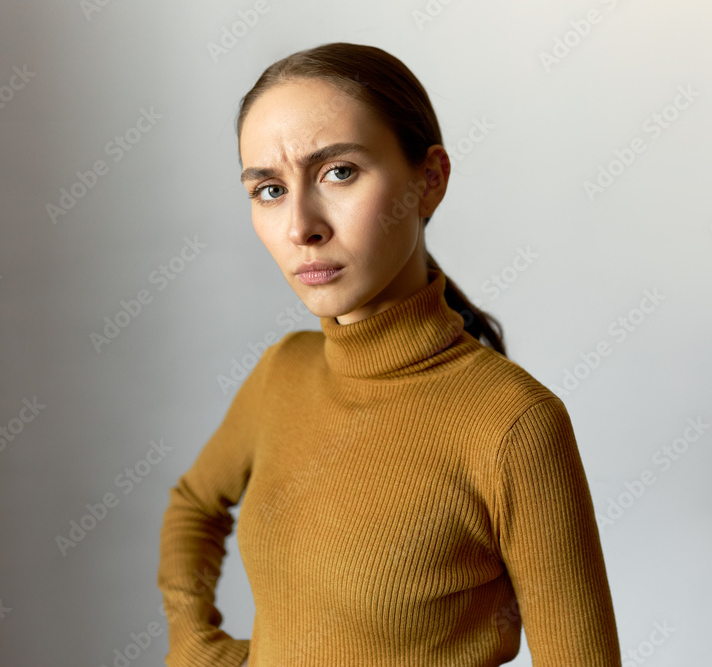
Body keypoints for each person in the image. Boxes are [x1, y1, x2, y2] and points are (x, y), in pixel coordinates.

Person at [157, 42, 621, 666]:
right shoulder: (281, 373)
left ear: (429, 180)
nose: (301, 226)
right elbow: (194, 506)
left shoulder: (514, 423)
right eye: (268, 189)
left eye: (338, 172)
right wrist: (196, 649)